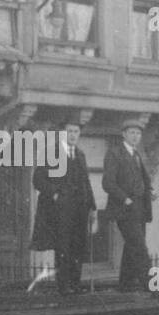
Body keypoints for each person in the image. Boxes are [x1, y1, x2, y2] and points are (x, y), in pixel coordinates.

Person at [31, 121, 97, 294]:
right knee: (63, 247)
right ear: (62, 134)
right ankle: (64, 286)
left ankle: (75, 284)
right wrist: (54, 194)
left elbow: (86, 182)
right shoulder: (52, 152)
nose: (73, 135)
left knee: (78, 246)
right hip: (60, 210)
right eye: (69, 131)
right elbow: (38, 179)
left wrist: (93, 207)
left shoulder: (80, 155)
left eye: (76, 131)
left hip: (80, 209)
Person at [103, 118, 156, 292]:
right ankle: (153, 287)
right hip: (125, 209)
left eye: (138, 133)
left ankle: (125, 285)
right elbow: (108, 183)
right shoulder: (114, 153)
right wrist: (125, 199)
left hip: (140, 208)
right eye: (132, 133)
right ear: (124, 134)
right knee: (139, 247)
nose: (135, 136)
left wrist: (150, 191)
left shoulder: (136, 154)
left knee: (132, 246)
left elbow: (141, 180)